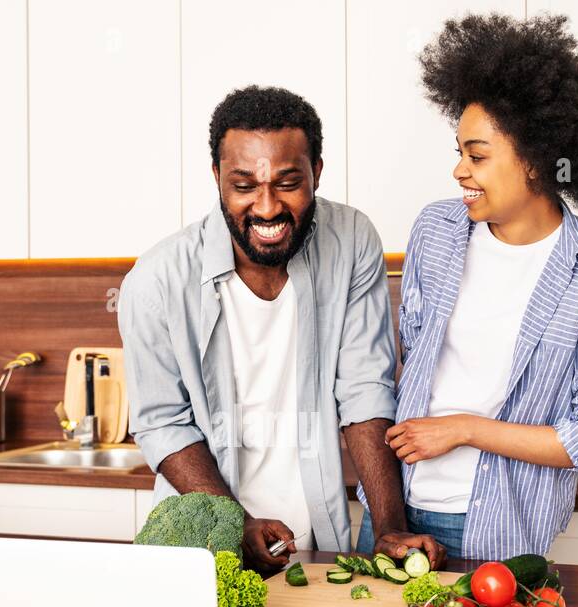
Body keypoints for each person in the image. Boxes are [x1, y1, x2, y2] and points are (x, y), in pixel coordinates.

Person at [120, 86, 444, 572]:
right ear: (217, 178)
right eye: (244, 185)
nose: (267, 208)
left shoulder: (352, 241)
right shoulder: (155, 281)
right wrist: (236, 521)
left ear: (317, 171)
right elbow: (163, 423)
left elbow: (364, 391)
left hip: (318, 543)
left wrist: (389, 525)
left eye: (288, 183)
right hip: (205, 541)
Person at [358, 13, 578, 560]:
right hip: (395, 509)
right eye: (459, 153)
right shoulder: (435, 232)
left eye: (477, 155)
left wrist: (464, 429)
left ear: (534, 160)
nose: (460, 171)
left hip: (498, 527)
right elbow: (412, 360)